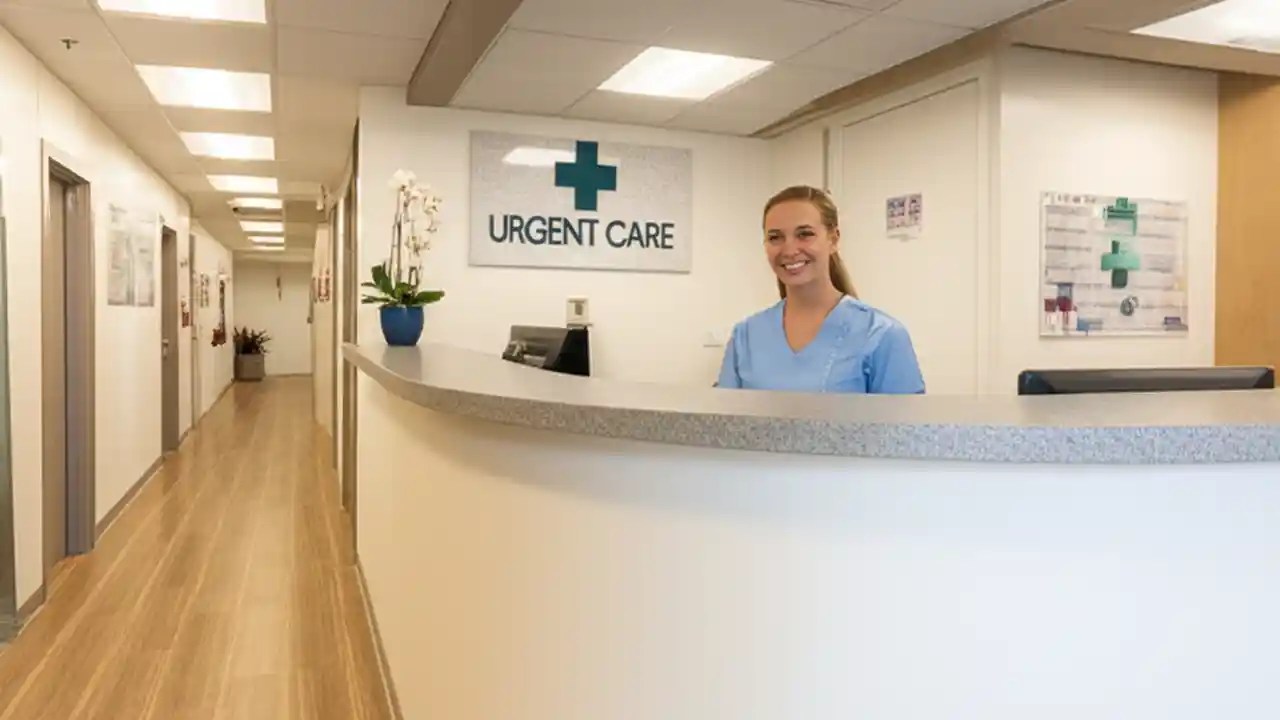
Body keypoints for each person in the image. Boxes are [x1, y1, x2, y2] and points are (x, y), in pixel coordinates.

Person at [716, 185, 926, 394]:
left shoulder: (881, 335)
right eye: (775, 237)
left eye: (805, 234)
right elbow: (721, 421)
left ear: (833, 239)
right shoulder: (746, 336)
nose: (789, 250)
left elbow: (905, 426)